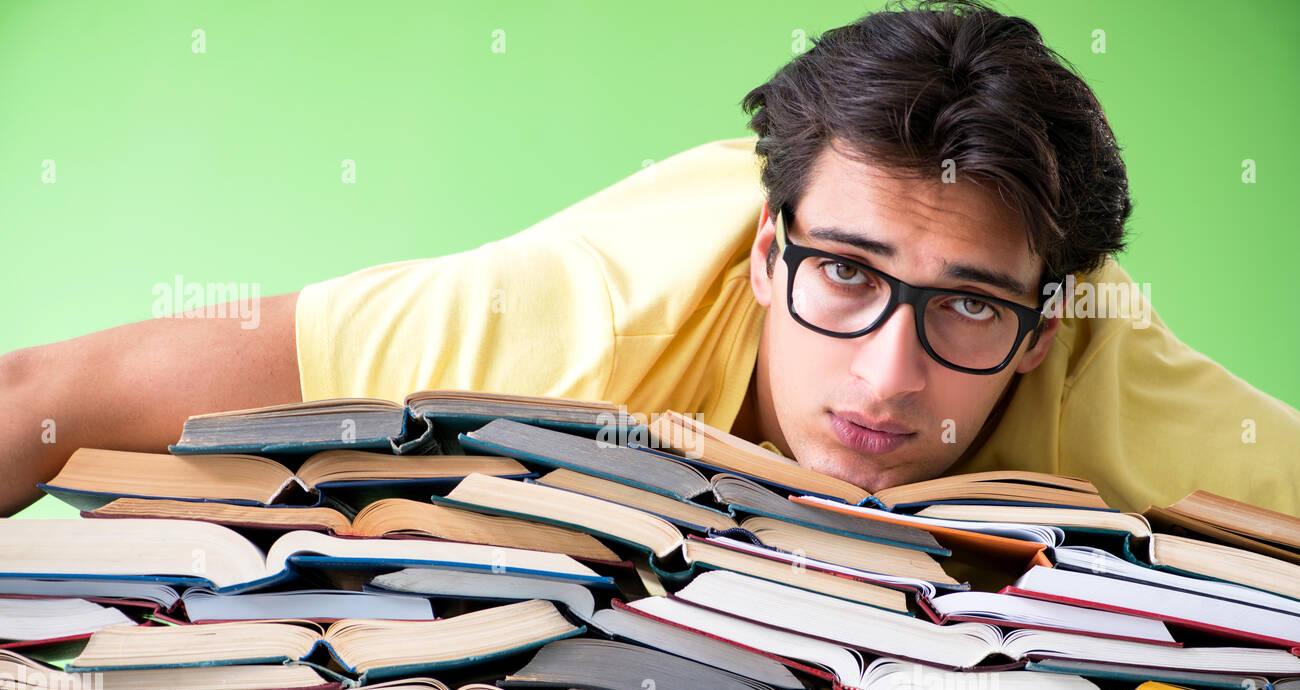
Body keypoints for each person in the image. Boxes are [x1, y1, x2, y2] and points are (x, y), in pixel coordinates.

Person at [3, 0, 1297, 519]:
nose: (888, 377)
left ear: (1048, 326)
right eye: (845, 274)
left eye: (966, 304)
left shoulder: (1135, 401)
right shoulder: (569, 321)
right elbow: (42, 398)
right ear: (766, 255)